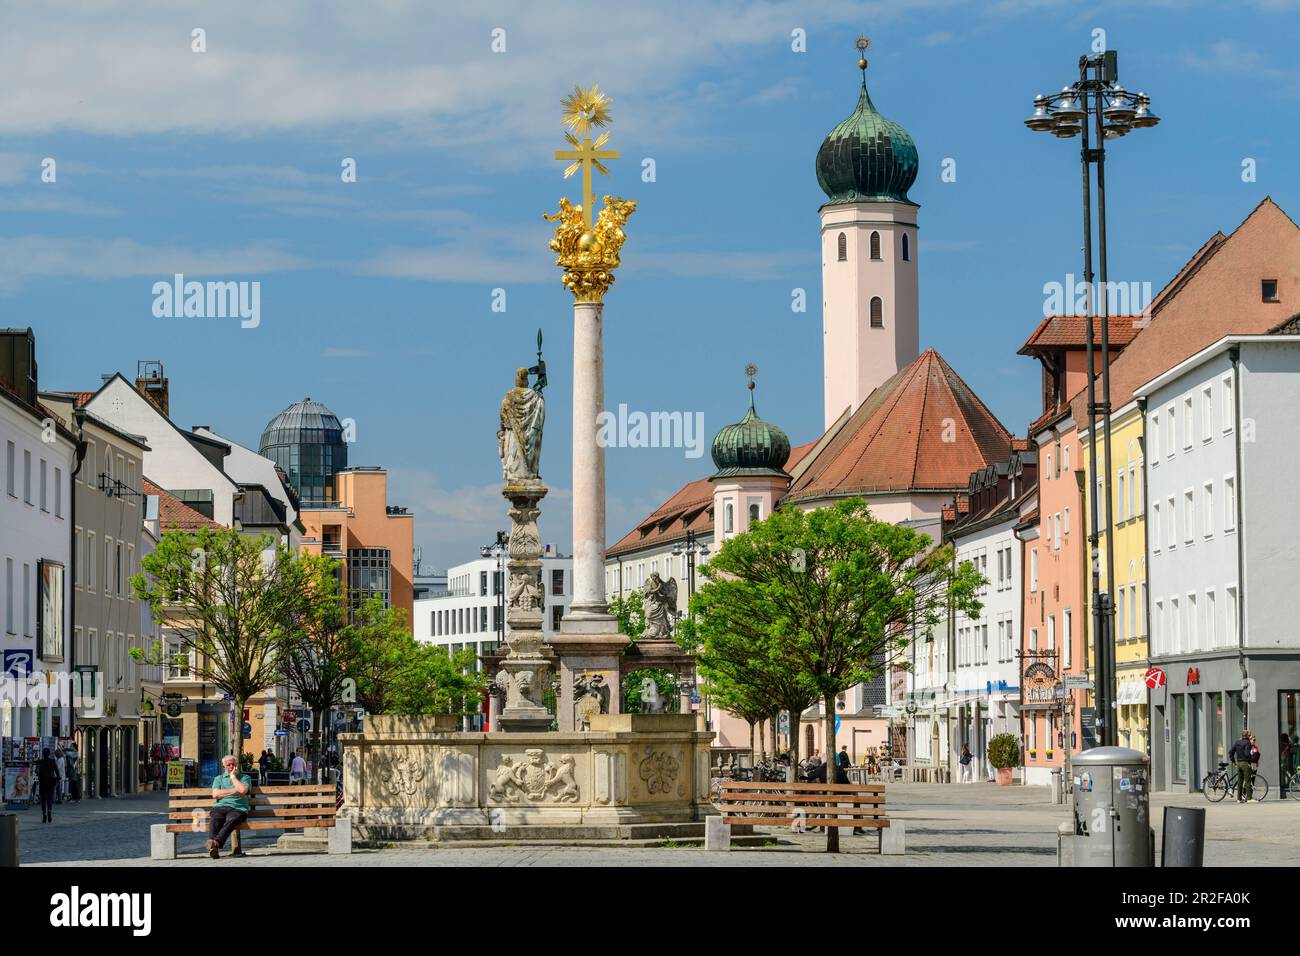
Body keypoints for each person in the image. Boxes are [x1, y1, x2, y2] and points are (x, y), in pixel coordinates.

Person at [207, 754, 253, 859]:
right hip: (221, 806)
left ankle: (215, 843)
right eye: (228, 765)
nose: (231, 766)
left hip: (238, 808)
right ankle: (214, 846)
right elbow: (215, 794)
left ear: (237, 765)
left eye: (233, 764)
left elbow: (243, 790)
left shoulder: (245, 778)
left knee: (232, 819)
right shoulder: (219, 779)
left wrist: (233, 777)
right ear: (224, 766)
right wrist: (235, 790)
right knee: (215, 818)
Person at [1228, 731, 1254, 802]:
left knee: (1240, 781)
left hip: (1238, 763)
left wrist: (1233, 761)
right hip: (1245, 763)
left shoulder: (1237, 742)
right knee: (1248, 781)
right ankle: (1249, 798)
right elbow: (1247, 754)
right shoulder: (1248, 743)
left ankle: (1239, 798)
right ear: (1247, 736)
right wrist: (1249, 762)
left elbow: (1231, 752)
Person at [37, 748, 60, 823]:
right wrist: (58, 778)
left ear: (43, 754)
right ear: (49, 754)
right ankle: (49, 811)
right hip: (51, 781)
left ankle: (44, 814)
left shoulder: (40, 762)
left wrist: (39, 773)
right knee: (49, 798)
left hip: (43, 782)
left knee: (43, 799)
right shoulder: (52, 761)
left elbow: (37, 771)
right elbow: (57, 771)